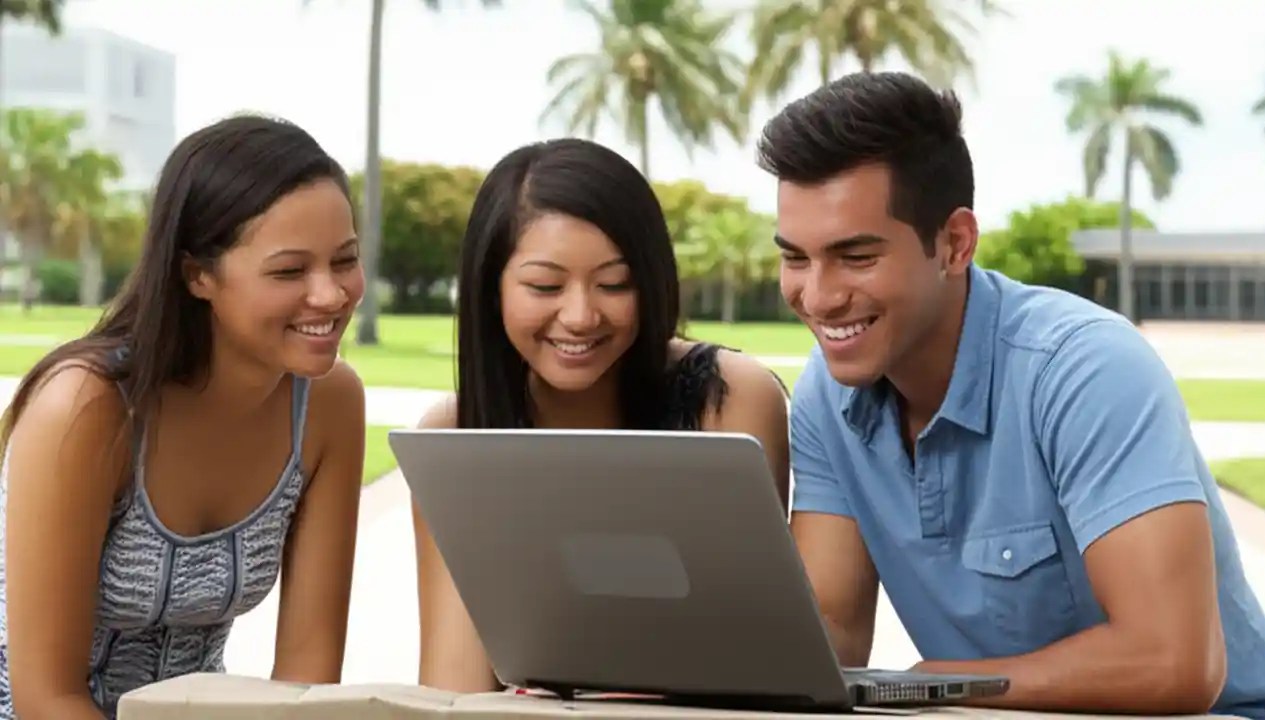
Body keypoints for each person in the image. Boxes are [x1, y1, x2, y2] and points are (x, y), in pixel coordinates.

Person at [758, 71, 1265, 719]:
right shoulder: (826, 399)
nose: (817, 295)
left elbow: (1172, 663)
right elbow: (828, 636)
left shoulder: (1086, 370)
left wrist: (936, 682)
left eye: (855, 257)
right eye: (796, 258)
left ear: (954, 243)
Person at [0, 115, 368, 719]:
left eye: (345, 260)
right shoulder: (86, 409)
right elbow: (46, 699)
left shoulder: (327, 402)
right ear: (197, 274)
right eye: (289, 271)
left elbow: (306, 683)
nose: (330, 296)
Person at [412, 137, 792, 693]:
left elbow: (752, 650)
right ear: (491, 289)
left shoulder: (728, 397)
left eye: (615, 284)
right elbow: (454, 687)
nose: (581, 315)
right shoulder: (454, 434)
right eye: (544, 286)